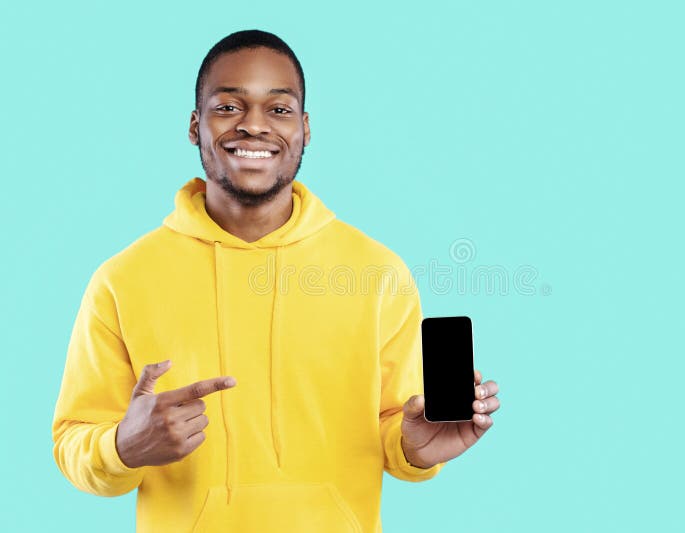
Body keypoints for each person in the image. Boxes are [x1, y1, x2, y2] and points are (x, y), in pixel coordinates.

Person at [52, 29, 500, 533]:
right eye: (228, 107)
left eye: (280, 110)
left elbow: (399, 429)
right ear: (195, 125)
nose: (254, 126)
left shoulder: (378, 273)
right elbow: (73, 442)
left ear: (306, 129)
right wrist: (120, 447)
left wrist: (413, 449)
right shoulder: (123, 279)